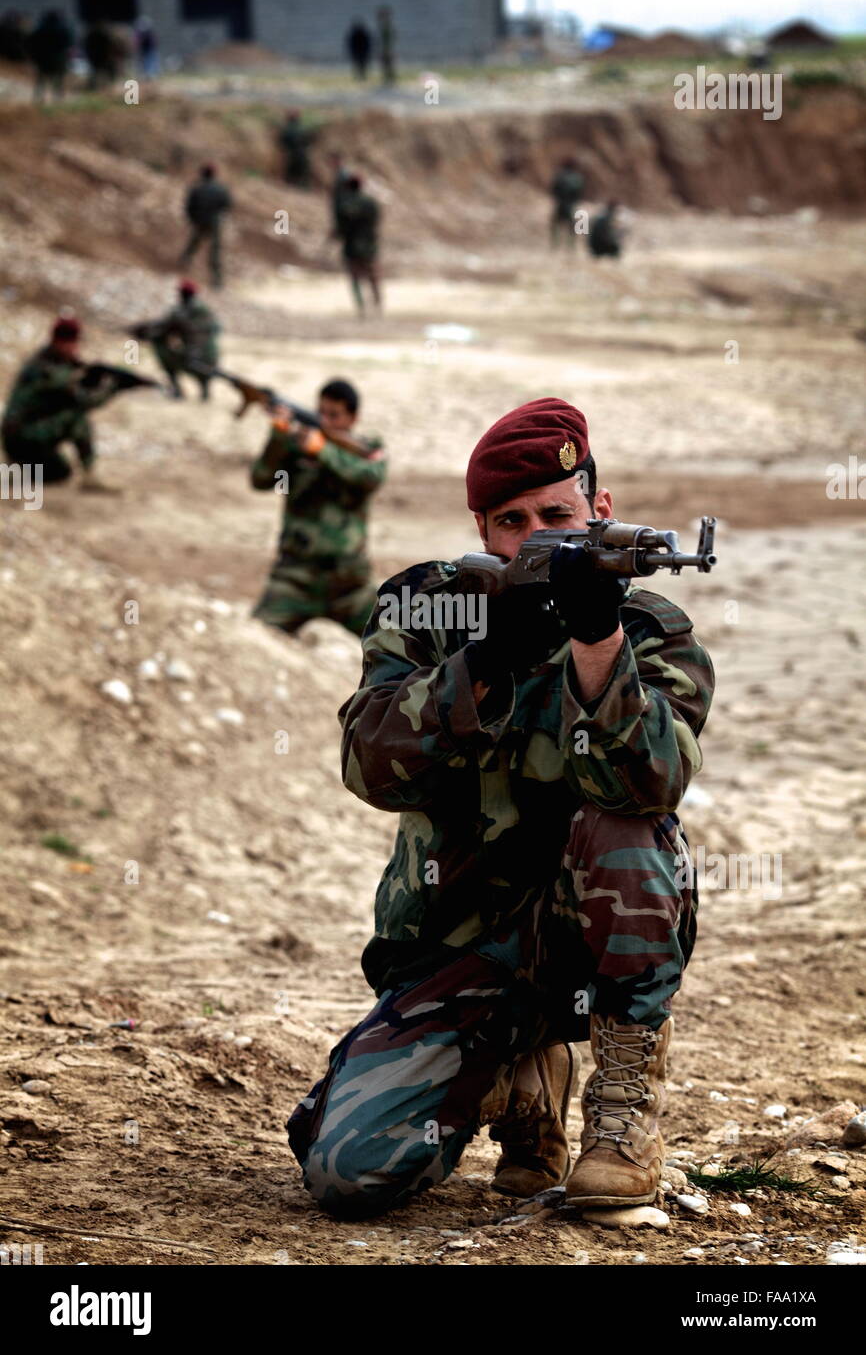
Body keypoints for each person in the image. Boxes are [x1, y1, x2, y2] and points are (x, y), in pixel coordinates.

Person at [287, 397, 714, 1219]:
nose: (538, 536)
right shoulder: (427, 609)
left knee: (625, 823)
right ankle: (519, 1077)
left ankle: (620, 1121)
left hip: (582, 945)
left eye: (558, 514)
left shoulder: (649, 628)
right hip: (455, 944)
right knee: (347, 1171)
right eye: (512, 522)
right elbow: (369, 768)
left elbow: (653, 782)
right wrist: (485, 660)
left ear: (600, 510)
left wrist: (597, 647)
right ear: (483, 531)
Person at [250, 379, 387, 637]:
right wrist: (278, 437)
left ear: (353, 418)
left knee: (397, 641)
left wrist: (323, 451)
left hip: (350, 583)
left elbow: (370, 477)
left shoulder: (367, 450)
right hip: (295, 577)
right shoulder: (294, 447)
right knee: (255, 637)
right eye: (320, 412)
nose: (324, 421)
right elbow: (260, 479)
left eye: (334, 415)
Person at [2, 317, 121, 488]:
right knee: (77, 418)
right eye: (72, 343)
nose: (75, 348)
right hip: (22, 437)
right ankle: (90, 477)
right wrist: (112, 388)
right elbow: (85, 400)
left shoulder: (51, 360)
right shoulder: (48, 369)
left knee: (61, 472)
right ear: (61, 342)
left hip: (23, 434)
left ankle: (19, 471)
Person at [136, 280, 220, 399]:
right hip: (210, 355)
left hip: (195, 355)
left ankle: (177, 390)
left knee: (164, 353)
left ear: (182, 294)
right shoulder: (203, 310)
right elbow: (215, 328)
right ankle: (204, 391)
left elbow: (165, 326)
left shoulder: (181, 311)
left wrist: (149, 333)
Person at [180, 164, 232, 288]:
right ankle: (216, 280)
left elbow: (189, 207)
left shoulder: (196, 188)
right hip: (214, 222)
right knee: (215, 251)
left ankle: (184, 261)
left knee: (194, 242)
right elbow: (227, 205)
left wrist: (193, 219)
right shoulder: (221, 189)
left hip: (200, 220)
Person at [336, 175, 381, 316]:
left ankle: (361, 307)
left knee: (355, 276)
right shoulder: (371, 203)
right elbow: (376, 220)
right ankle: (377, 304)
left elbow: (341, 226)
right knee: (372, 274)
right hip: (369, 242)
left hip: (352, 243)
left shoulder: (345, 204)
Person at [28, 9, 74, 103]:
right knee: (58, 79)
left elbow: (31, 44)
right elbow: (68, 43)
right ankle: (58, 98)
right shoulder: (62, 29)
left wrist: (34, 57)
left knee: (41, 79)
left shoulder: (40, 29)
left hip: (43, 58)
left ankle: (39, 97)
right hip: (58, 57)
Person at [550, 158, 585, 248]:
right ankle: (570, 246)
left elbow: (554, 189)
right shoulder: (576, 177)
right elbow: (579, 191)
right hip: (570, 204)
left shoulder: (560, 176)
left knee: (556, 225)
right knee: (571, 226)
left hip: (561, 203)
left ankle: (555, 245)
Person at [277, 109, 315, 188]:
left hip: (294, 153)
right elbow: (307, 140)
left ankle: (293, 185)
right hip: (300, 153)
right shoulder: (299, 127)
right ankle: (300, 186)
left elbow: (283, 140)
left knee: (293, 171)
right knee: (301, 171)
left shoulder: (289, 128)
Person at [376, 6, 396, 86]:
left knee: (387, 65)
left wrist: (387, 50)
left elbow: (388, 40)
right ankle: (388, 80)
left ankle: (389, 80)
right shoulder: (384, 26)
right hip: (385, 50)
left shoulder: (387, 26)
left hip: (386, 50)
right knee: (386, 66)